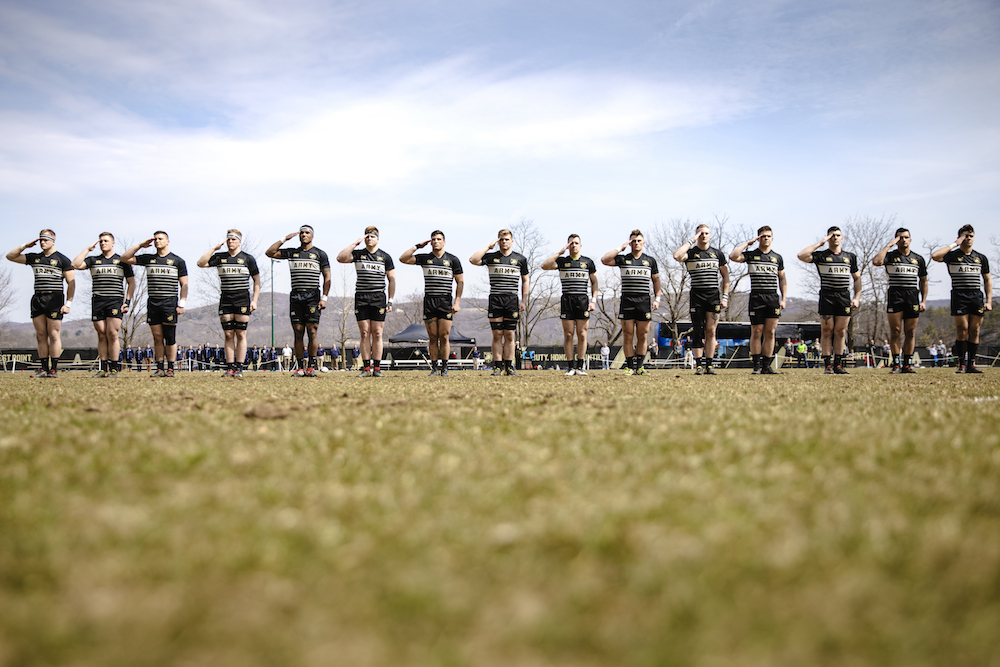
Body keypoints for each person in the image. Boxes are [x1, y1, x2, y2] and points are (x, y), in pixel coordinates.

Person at [5, 229, 75, 378]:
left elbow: (71, 283)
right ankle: (43, 369)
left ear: (53, 241)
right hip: (37, 300)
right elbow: (10, 256)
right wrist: (25, 246)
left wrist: (68, 304)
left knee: (54, 335)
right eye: (41, 239)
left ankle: (54, 370)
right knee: (40, 335)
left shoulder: (63, 260)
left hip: (55, 300)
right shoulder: (35, 257)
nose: (43, 242)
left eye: (46, 239)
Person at [266, 226, 332, 377]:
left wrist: (324, 298)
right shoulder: (293, 252)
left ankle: (312, 366)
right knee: (298, 332)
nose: (303, 235)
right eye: (301, 232)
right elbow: (269, 253)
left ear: (312, 236)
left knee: (312, 331)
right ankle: (300, 367)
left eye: (307, 232)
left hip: (312, 296)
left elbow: (327, 277)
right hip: (296, 296)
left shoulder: (320, 254)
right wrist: (285, 239)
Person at [122, 231, 189, 377]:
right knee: (157, 337)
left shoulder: (178, 261)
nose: (158, 241)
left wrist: (182, 303)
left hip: (170, 302)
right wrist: (140, 245)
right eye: (156, 239)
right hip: (153, 303)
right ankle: (159, 368)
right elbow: (125, 258)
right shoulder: (149, 258)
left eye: (161, 239)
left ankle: (170, 368)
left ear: (167, 241)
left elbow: (184, 284)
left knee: (170, 337)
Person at [797, 226, 862, 374]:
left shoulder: (850, 257)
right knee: (827, 331)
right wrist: (820, 243)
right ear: (828, 238)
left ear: (842, 238)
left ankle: (838, 365)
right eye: (832, 235)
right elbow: (801, 255)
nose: (835, 237)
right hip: (827, 297)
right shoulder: (821, 255)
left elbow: (857, 278)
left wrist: (857, 297)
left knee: (840, 331)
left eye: (838, 235)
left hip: (844, 297)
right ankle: (827, 365)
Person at [399, 230, 464, 376]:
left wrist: (457, 302)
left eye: (439, 239)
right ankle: (434, 368)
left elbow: (460, 281)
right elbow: (403, 258)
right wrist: (417, 246)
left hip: (445, 301)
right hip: (430, 301)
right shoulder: (425, 258)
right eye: (433, 239)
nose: (436, 242)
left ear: (444, 242)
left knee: (444, 336)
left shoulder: (453, 260)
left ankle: (445, 368)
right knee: (433, 337)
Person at [197, 229, 260, 378]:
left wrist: (255, 300)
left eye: (233, 239)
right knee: (228, 334)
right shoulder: (220, 257)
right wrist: (214, 248)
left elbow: (257, 280)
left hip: (242, 298)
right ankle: (230, 367)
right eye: (228, 239)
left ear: (239, 241)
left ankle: (239, 367)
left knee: (241, 334)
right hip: (225, 299)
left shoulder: (247, 258)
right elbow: (200, 263)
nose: (230, 242)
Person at [72, 233, 135, 378]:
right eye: (101, 241)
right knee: (101, 334)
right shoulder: (93, 260)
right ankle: (103, 368)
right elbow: (75, 264)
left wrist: (127, 302)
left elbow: (131, 282)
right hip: (98, 301)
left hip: (115, 300)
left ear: (113, 243)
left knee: (112, 334)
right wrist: (88, 249)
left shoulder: (121, 260)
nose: (103, 243)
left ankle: (114, 368)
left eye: (106, 241)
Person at [932, 225, 993, 373]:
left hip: (976, 296)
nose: (969, 238)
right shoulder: (953, 255)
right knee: (962, 329)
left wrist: (989, 300)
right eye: (966, 235)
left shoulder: (980, 258)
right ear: (960, 237)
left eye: (971, 236)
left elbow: (987, 280)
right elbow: (935, 256)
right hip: (959, 296)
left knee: (975, 330)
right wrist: (954, 244)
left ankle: (971, 364)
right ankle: (962, 364)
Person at [470, 229, 530, 376]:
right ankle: (497, 366)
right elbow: (473, 260)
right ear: (498, 241)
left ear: (512, 241)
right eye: (501, 240)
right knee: (497, 334)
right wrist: (487, 247)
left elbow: (525, 280)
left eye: (507, 239)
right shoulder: (491, 257)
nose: (504, 242)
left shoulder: (520, 259)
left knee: (509, 334)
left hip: (511, 299)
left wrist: (524, 300)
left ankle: (509, 367)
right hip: (495, 299)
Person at [338, 226, 395, 377]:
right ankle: (366, 368)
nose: (370, 238)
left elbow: (392, 279)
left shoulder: (385, 257)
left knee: (377, 333)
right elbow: (340, 258)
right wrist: (355, 244)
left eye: (373, 236)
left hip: (378, 297)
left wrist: (390, 300)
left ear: (378, 239)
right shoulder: (357, 254)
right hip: (362, 297)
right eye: (367, 236)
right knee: (364, 333)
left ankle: (377, 368)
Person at [602, 230, 662, 375]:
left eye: (639, 240)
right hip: (627, 302)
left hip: (644, 302)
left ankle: (640, 367)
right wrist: (620, 248)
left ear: (643, 242)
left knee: (643, 335)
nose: (636, 243)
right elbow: (605, 260)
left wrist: (657, 298)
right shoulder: (623, 259)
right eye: (633, 241)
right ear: (630, 243)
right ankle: (629, 367)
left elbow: (656, 280)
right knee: (628, 335)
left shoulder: (650, 261)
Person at [673, 224, 729, 375]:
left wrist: (725, 297)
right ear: (697, 235)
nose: (704, 235)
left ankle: (709, 365)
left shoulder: (717, 254)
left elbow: (726, 276)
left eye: (706, 233)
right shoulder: (690, 253)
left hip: (713, 296)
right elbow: (677, 256)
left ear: (710, 235)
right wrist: (692, 240)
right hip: (696, 296)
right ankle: (699, 365)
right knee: (698, 330)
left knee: (711, 331)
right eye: (701, 233)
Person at [730, 226, 787, 374]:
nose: (766, 238)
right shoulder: (751, 255)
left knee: (770, 332)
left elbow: (782, 279)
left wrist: (784, 299)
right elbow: (733, 256)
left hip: (772, 298)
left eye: (768, 236)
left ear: (772, 239)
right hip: (756, 297)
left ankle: (766, 366)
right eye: (763, 236)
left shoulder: (777, 258)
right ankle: (756, 365)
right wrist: (747, 244)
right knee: (756, 331)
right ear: (758, 239)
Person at [873, 228, 928, 374]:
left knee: (910, 332)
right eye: (900, 238)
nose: (903, 240)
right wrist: (889, 245)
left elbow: (923, 280)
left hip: (912, 296)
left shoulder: (918, 259)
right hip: (895, 295)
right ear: (896, 240)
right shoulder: (890, 256)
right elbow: (877, 261)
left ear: (910, 239)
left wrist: (924, 300)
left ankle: (907, 365)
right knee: (895, 331)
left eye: (906, 237)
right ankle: (896, 364)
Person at [542, 234, 598, 376]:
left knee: (582, 334)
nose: (574, 245)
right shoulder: (561, 261)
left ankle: (580, 366)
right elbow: (544, 265)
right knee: (568, 334)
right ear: (568, 245)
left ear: (580, 245)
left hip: (582, 300)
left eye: (576, 243)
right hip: (567, 300)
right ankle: (570, 367)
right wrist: (560, 252)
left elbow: (594, 282)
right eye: (571, 243)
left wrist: (593, 300)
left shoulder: (588, 262)